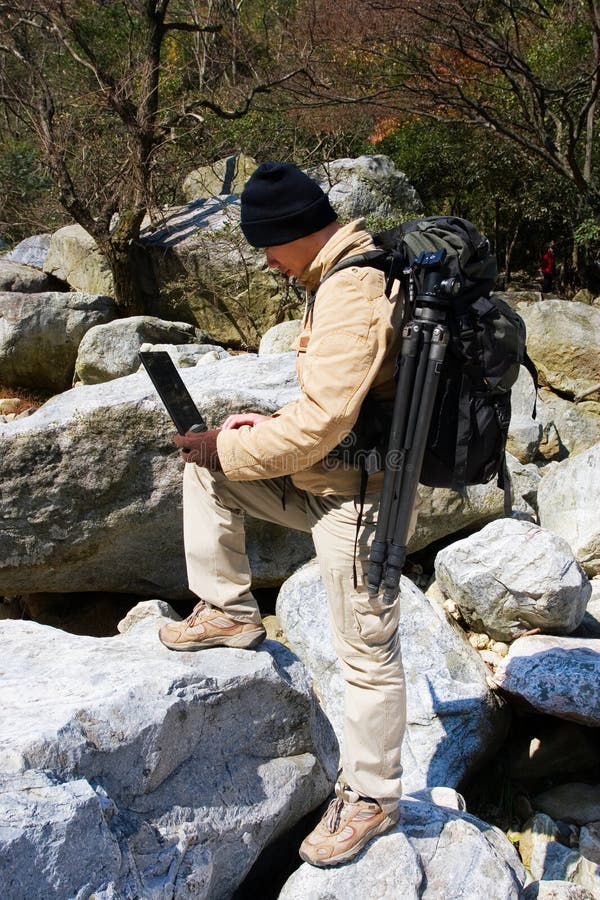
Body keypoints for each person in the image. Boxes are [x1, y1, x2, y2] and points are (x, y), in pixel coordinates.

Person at [158, 161, 417, 867]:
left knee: (364, 649)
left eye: (268, 247)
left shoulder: (352, 289)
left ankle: (372, 798)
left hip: (362, 500)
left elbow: (321, 425)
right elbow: (334, 408)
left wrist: (234, 445)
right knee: (207, 468)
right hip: (329, 475)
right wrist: (246, 431)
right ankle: (230, 611)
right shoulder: (334, 275)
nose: (267, 261)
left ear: (298, 233)